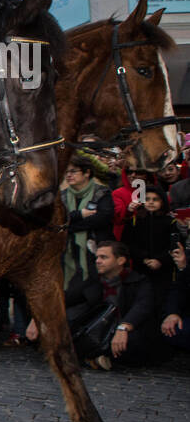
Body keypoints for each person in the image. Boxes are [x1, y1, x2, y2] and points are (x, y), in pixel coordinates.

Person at [67, 240, 166, 368]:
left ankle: (96, 358)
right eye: (97, 257)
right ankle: (97, 358)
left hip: (125, 331)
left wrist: (124, 327)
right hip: (97, 332)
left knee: (133, 341)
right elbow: (70, 299)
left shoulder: (138, 281)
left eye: (104, 257)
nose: (97, 261)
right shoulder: (93, 281)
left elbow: (143, 306)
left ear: (120, 261)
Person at [61, 157, 114, 292]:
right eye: (66, 172)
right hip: (68, 252)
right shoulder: (62, 196)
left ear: (87, 173)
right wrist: (79, 215)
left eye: (73, 171)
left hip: (95, 250)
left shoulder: (102, 192)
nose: (69, 175)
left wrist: (69, 226)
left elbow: (102, 218)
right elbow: (57, 221)